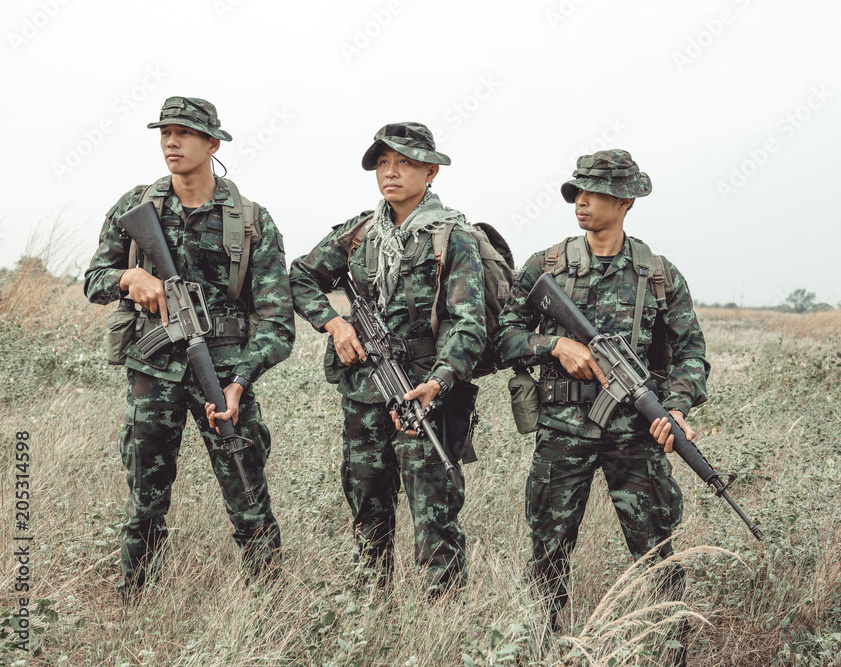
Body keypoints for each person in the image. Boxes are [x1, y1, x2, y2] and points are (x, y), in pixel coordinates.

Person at [84, 96, 294, 602]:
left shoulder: (250, 220)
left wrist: (239, 382)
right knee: (144, 500)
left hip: (222, 378)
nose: (171, 143)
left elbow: (277, 321)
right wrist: (130, 278)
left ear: (213, 144)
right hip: (153, 372)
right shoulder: (137, 207)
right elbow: (94, 280)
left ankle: (270, 606)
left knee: (247, 493)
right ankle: (135, 602)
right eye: (165, 133)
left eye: (184, 133)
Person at [492, 149, 710, 634]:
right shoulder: (546, 266)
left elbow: (691, 352)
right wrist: (555, 345)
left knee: (656, 553)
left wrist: (676, 406)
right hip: (561, 432)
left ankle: (669, 647)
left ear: (626, 201)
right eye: (578, 191)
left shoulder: (659, 274)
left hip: (637, 434)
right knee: (548, 552)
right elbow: (502, 337)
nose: (582, 201)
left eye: (595, 192)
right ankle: (542, 645)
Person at [288, 122, 486, 596]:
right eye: (382, 163)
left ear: (431, 171)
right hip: (363, 395)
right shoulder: (360, 234)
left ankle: (444, 617)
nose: (390, 172)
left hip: (423, 395)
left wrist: (439, 381)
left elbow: (469, 323)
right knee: (367, 513)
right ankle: (371, 612)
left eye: (404, 163)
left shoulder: (452, 237)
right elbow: (301, 277)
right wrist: (335, 324)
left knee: (434, 519)